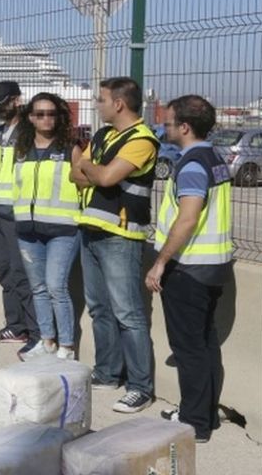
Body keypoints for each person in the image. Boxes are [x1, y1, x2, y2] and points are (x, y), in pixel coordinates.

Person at [146, 95, 232, 443]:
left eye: (167, 123)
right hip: (214, 267)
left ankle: (194, 423)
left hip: (189, 268)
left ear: (184, 127)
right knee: (205, 343)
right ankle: (205, 415)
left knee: (188, 348)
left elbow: (188, 218)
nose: (163, 128)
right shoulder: (215, 157)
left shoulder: (193, 164)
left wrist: (161, 262)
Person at [72, 76, 159, 414]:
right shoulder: (104, 134)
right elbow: (75, 175)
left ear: (119, 104)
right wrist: (92, 168)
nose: (98, 104)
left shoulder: (143, 139)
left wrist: (88, 166)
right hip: (91, 229)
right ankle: (108, 372)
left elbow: (105, 177)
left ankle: (140, 386)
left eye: (102, 99)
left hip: (121, 237)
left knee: (128, 313)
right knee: (99, 308)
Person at [12, 92, 83, 362]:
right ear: (30, 117)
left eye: (51, 113)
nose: (46, 119)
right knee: (38, 288)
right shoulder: (22, 149)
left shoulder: (70, 148)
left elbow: (83, 184)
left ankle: (66, 346)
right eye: (40, 114)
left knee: (56, 287)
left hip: (62, 230)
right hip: (28, 230)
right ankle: (47, 340)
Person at [0, 81, 40, 346]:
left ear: (17, 101)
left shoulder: (27, 133)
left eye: (4, 104)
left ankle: (34, 331)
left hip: (17, 213)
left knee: (22, 275)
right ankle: (15, 324)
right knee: (6, 272)